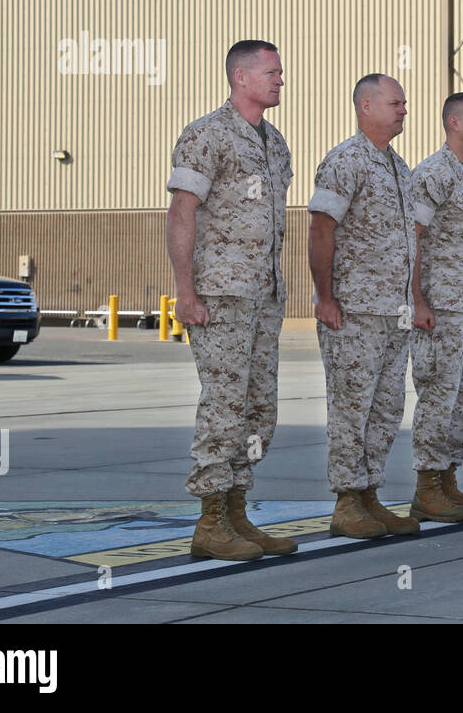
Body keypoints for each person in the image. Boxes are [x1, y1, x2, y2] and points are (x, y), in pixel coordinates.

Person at [166, 39, 297, 561]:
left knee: (258, 410)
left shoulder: (276, 142)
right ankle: (210, 521)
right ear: (240, 77)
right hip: (219, 294)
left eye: (280, 72)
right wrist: (185, 291)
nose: (280, 79)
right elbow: (181, 212)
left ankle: (238, 511)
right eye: (271, 71)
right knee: (223, 407)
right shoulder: (207, 135)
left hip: (263, 295)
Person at [309, 73, 420, 539]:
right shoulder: (345, 161)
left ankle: (371, 493)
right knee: (351, 408)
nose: (403, 110)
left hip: (393, 313)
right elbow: (320, 230)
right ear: (365, 106)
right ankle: (346, 501)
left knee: (386, 408)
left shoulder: (399, 168)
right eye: (395, 103)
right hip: (354, 310)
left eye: (404, 103)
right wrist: (326, 297)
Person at [407, 92, 463, 522]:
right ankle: (427, 487)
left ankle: (448, 481)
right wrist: (418, 300)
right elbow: (413, 239)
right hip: (441, 307)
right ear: (453, 123)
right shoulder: (433, 174)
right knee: (438, 396)